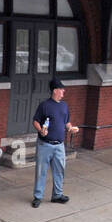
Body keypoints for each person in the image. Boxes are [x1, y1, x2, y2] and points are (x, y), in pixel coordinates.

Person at [32, 77, 79, 208]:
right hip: (45, 144)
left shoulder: (64, 106)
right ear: (55, 91)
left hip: (59, 145)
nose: (63, 92)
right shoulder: (44, 106)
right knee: (41, 171)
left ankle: (57, 195)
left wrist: (70, 128)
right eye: (61, 89)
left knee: (59, 171)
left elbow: (66, 122)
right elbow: (35, 121)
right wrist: (41, 130)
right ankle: (38, 197)